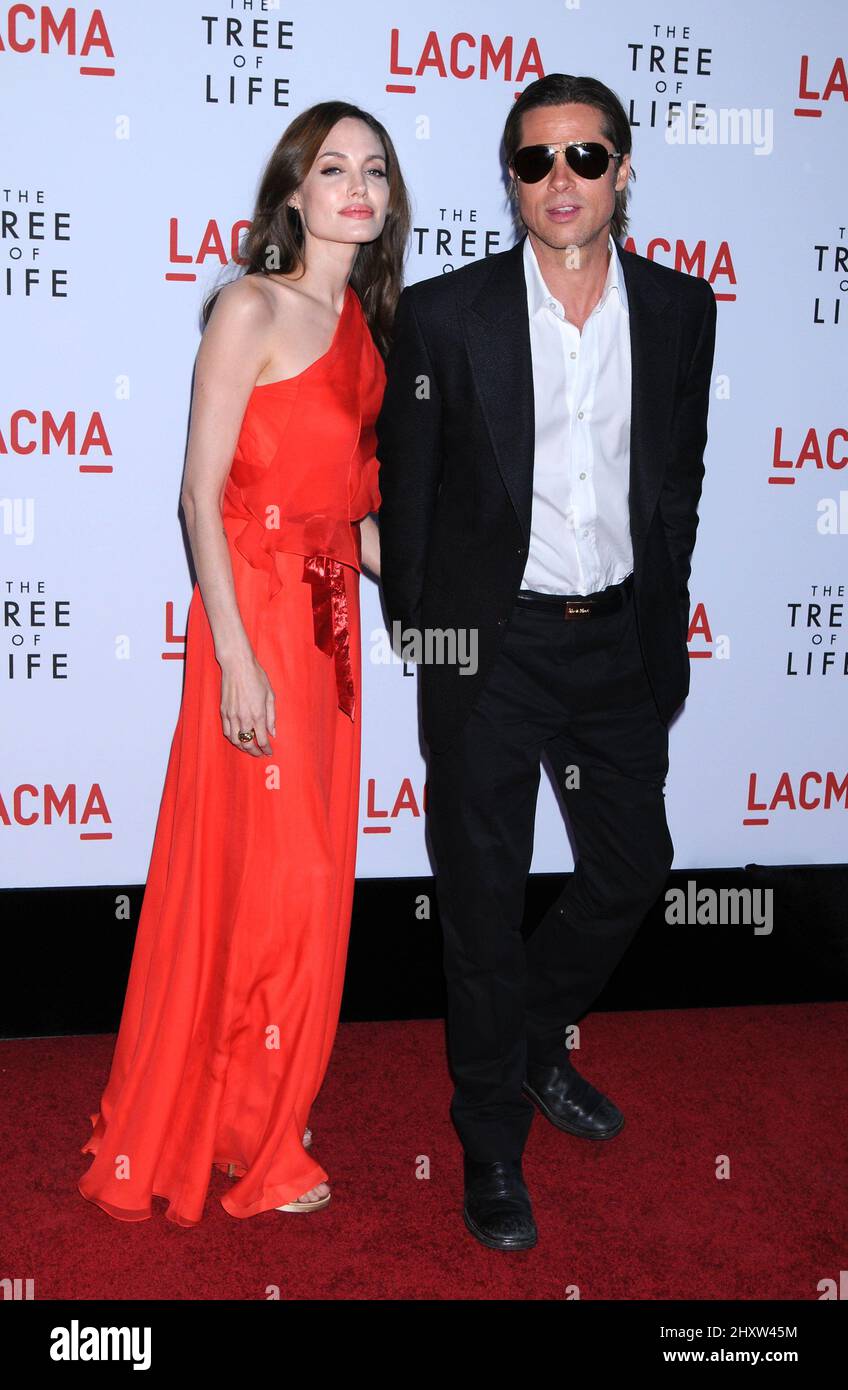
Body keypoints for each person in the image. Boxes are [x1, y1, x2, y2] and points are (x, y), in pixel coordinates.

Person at [376, 73, 717, 1250]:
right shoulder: (444, 316)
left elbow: (675, 481)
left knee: (633, 868)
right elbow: (405, 499)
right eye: (534, 162)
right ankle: (487, 1146)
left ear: (623, 169)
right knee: (478, 905)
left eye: (584, 157)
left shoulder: (679, 308)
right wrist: (434, 641)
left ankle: (528, 1043)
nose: (559, 181)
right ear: (510, 180)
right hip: (493, 650)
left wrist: (659, 628)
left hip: (616, 639)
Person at [78, 102, 408, 1225]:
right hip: (255, 617)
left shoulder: (364, 329)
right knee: (272, 884)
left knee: (307, 893)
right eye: (332, 168)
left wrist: (425, 589)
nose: (354, 187)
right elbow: (195, 492)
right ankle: (250, 1140)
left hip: (329, 633)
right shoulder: (250, 306)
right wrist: (232, 654)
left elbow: (351, 519)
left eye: (373, 171)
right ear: (293, 192)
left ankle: (255, 1113)